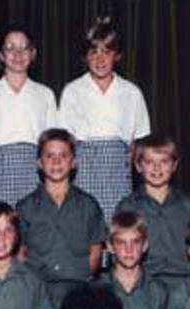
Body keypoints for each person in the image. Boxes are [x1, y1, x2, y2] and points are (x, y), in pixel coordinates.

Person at [59, 17, 151, 220]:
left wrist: (129, 167)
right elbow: (66, 141)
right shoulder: (73, 91)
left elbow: (139, 141)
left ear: (117, 55)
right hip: (83, 172)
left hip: (118, 175)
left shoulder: (131, 92)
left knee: (119, 229)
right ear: (85, 56)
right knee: (85, 227)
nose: (100, 60)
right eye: (94, 52)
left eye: (107, 52)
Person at [17, 128, 105, 309]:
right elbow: (20, 254)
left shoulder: (88, 205)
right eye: (50, 156)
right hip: (40, 292)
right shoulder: (25, 206)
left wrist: (81, 280)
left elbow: (95, 252)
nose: (56, 162)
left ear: (74, 162)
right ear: (39, 162)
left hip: (78, 291)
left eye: (63, 155)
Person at [0, 23, 59, 206]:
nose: (17, 54)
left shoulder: (45, 94)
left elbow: (51, 141)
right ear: (1, 55)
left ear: (32, 53)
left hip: (35, 170)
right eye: (10, 48)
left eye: (23, 48)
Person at [114, 136, 190, 290]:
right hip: (144, 286)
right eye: (149, 162)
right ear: (138, 166)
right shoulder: (127, 207)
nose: (156, 168)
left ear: (174, 165)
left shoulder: (189, 207)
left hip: (184, 285)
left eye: (164, 162)